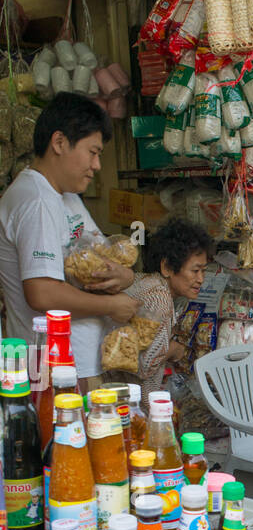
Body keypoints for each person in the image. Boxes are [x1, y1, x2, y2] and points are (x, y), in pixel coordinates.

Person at [0, 93, 137, 389]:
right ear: (59, 142)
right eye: (92, 152)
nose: (97, 165)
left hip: (80, 363)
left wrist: (124, 274)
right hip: (54, 370)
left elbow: (107, 254)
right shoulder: (36, 201)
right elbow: (42, 293)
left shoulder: (65, 196)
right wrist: (111, 306)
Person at [117, 217, 213, 397]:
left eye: (203, 271)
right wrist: (174, 349)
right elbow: (143, 366)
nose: (201, 279)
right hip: (134, 399)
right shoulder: (160, 299)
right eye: (195, 270)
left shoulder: (144, 281)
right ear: (167, 267)